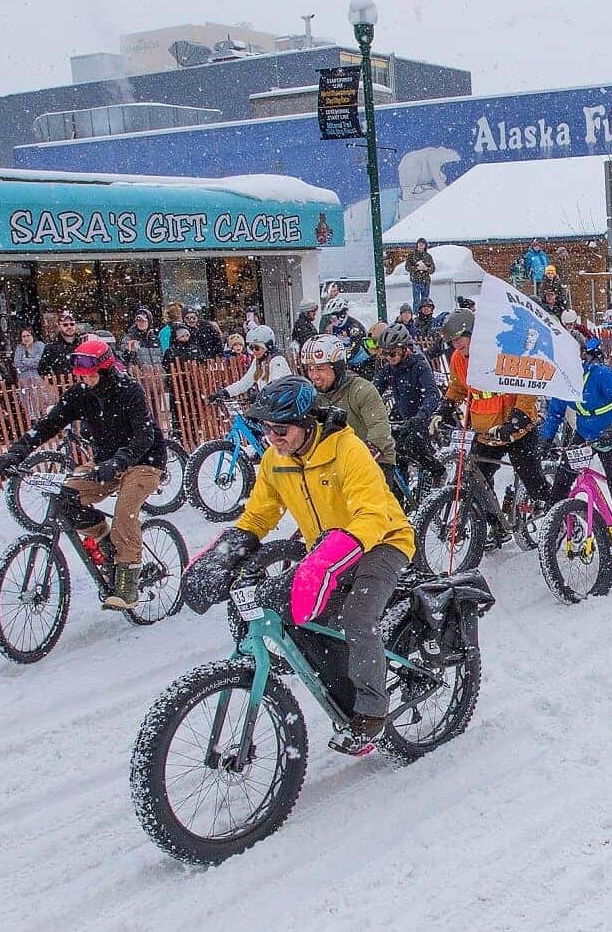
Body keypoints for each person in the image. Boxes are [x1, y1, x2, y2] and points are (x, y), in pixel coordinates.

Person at [183, 376, 414, 755]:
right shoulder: (276, 459)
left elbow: (372, 515)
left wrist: (325, 559)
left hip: (382, 543)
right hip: (327, 549)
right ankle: (346, 703)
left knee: (357, 618)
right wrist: (225, 555)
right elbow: (259, 515)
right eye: (265, 428)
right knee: (304, 621)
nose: (272, 437)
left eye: (280, 428)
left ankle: (372, 711)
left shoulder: (347, 450)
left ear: (307, 422)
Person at [0, 339, 166, 610]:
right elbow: (48, 425)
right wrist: (15, 453)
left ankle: (128, 584)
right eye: (81, 376)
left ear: (106, 371)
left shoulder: (130, 390)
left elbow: (145, 435)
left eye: (91, 374)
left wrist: (119, 461)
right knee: (67, 498)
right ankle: (107, 542)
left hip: (144, 461)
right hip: (105, 462)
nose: (85, 380)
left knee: (125, 511)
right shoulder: (80, 393)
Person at [541, 335, 612, 562]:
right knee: (562, 481)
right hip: (585, 433)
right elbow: (554, 413)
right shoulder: (563, 380)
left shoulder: (600, 374)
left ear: (582, 355)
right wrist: (545, 439)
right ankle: (560, 525)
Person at [435, 308, 554, 509]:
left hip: (516, 432)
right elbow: (457, 387)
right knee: (478, 484)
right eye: (452, 341)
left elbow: (525, 386)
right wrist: (443, 410)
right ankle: (495, 528)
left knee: (534, 483)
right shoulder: (457, 359)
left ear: (472, 333)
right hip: (486, 433)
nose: (456, 344)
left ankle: (558, 519)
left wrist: (517, 420)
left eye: (459, 339)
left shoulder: (502, 349)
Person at [298, 334, 397, 471]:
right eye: (310, 369)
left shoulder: (361, 390)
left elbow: (379, 429)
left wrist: (361, 458)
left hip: (374, 458)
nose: (314, 376)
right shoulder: (311, 396)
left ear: (337, 368)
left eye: (320, 368)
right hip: (334, 460)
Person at [373, 323, 444, 487]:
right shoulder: (390, 368)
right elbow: (373, 389)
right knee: (393, 455)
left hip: (422, 415)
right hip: (403, 415)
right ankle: (400, 496)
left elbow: (433, 394)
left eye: (392, 352)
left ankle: (437, 471)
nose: (389, 357)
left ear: (405, 348)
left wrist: (421, 415)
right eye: (385, 353)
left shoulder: (419, 364)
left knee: (412, 446)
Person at [214, 325, 292, 402]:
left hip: (284, 407)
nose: (254, 351)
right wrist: (225, 393)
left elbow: (276, 387)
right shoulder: (258, 361)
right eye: (251, 348)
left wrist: (259, 395)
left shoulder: (277, 361)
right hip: (271, 406)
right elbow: (245, 383)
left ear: (268, 346)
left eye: (257, 348)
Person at [39, 311, 82, 376]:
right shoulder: (51, 346)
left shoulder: (83, 341)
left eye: (72, 324)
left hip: (86, 383)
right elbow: (42, 369)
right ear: (59, 326)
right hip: (65, 384)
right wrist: (54, 383)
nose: (69, 327)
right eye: (65, 325)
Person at [405, 238, 435, 311]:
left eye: (423, 244)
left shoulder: (428, 256)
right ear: (417, 245)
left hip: (426, 281)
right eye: (419, 243)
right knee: (416, 300)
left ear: (425, 246)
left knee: (425, 301)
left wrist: (426, 269)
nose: (421, 245)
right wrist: (417, 268)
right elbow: (407, 267)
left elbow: (433, 269)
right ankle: (416, 315)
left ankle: (425, 315)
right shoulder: (412, 255)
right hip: (416, 281)